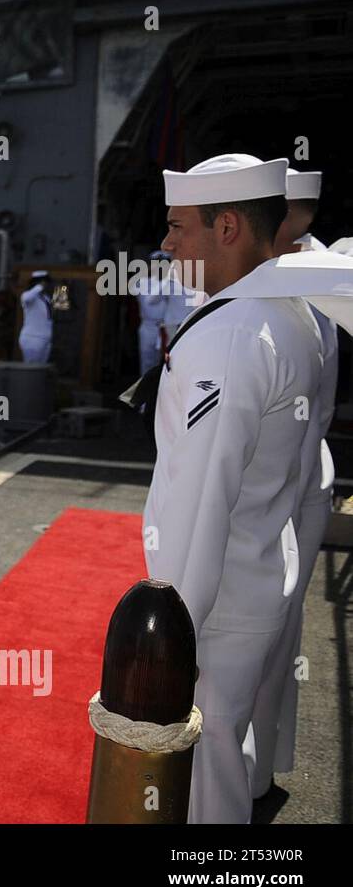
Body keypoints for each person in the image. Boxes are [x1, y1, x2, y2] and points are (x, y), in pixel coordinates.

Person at [143, 153, 323, 824]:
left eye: (177, 227)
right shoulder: (289, 310)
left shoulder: (230, 334)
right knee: (228, 745)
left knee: (202, 772)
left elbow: (202, 497)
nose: (166, 244)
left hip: (213, 600)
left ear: (226, 228)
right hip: (256, 570)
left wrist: (172, 627)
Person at [248, 168, 337, 801]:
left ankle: (248, 775)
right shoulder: (291, 271)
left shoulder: (317, 275)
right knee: (268, 630)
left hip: (288, 476)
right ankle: (257, 767)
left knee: (268, 631)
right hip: (285, 473)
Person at [18, 270, 52, 362]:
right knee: (31, 368)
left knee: (40, 370)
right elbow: (26, 298)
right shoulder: (29, 296)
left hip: (45, 338)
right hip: (32, 338)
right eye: (44, 282)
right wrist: (39, 287)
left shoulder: (46, 298)